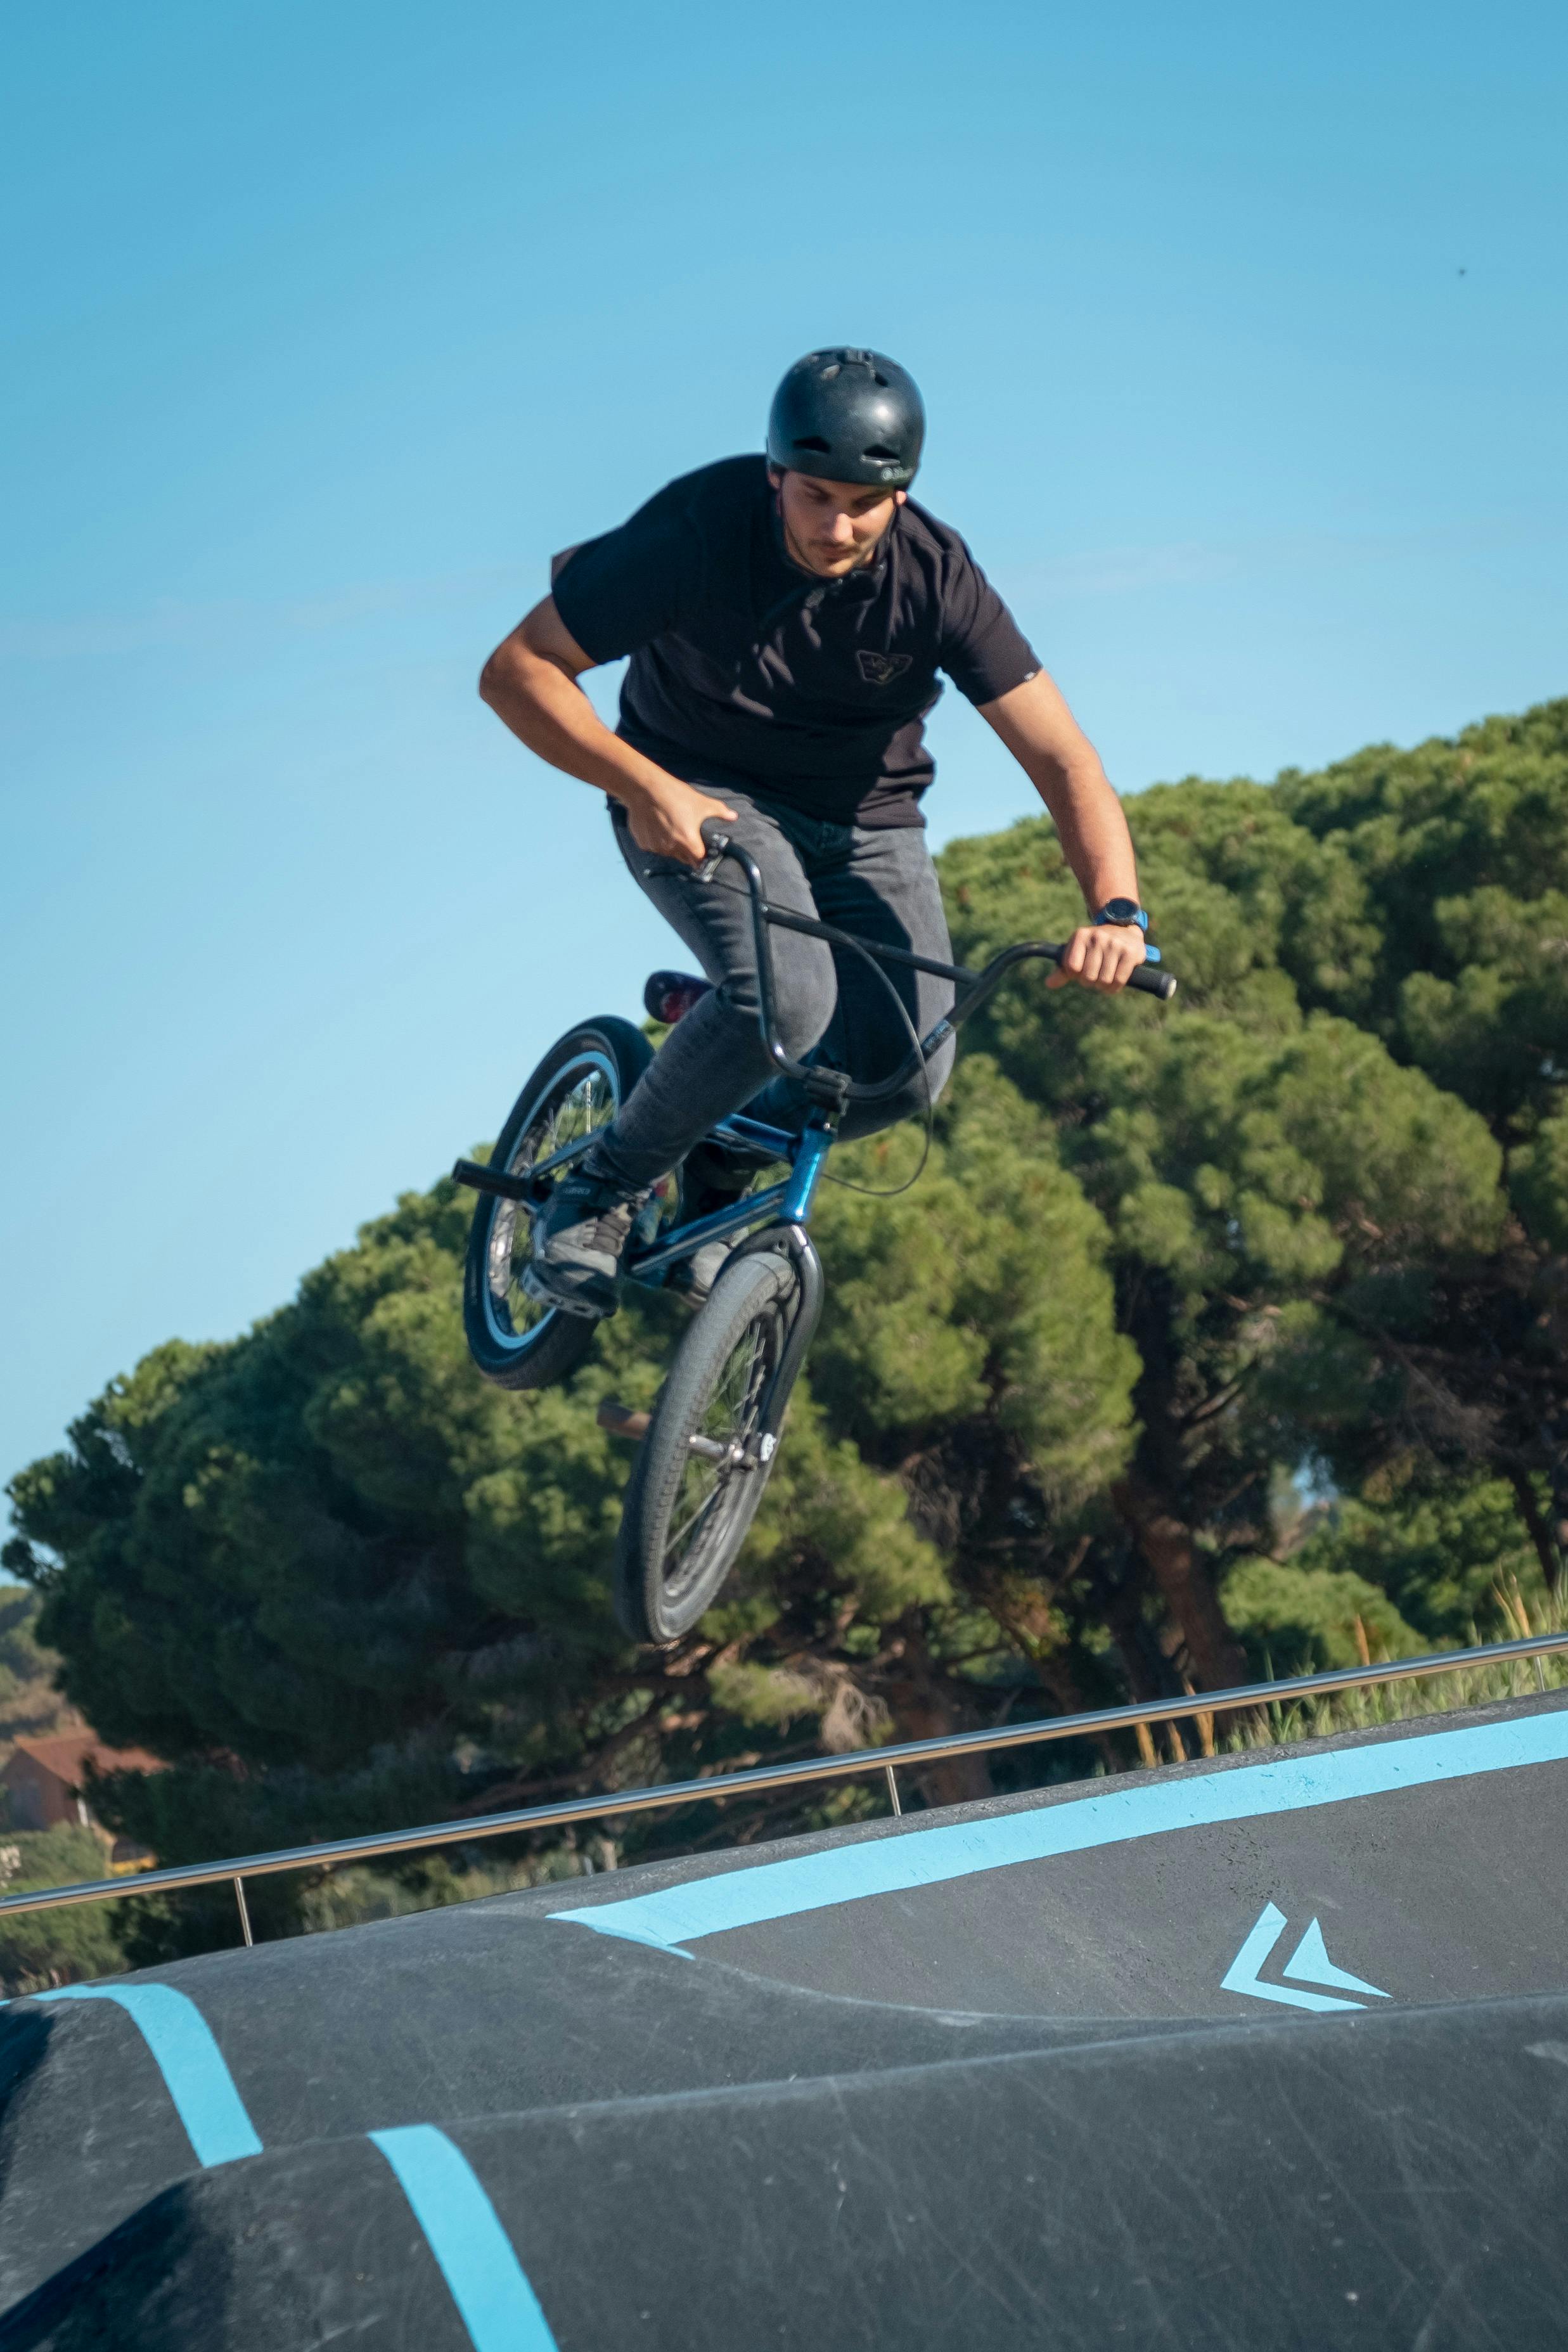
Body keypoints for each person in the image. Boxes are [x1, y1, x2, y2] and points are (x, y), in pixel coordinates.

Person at [479, 347, 1153, 1314]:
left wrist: (1117, 910)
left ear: (901, 496)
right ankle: (601, 1190)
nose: (836, 527)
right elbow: (519, 670)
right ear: (774, 478)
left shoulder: (937, 580)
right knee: (787, 1003)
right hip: (697, 790)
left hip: (867, 824)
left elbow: (1063, 760)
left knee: (903, 1077)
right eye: (813, 497)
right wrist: (640, 786)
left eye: (863, 504)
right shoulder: (695, 533)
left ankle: (718, 1134)